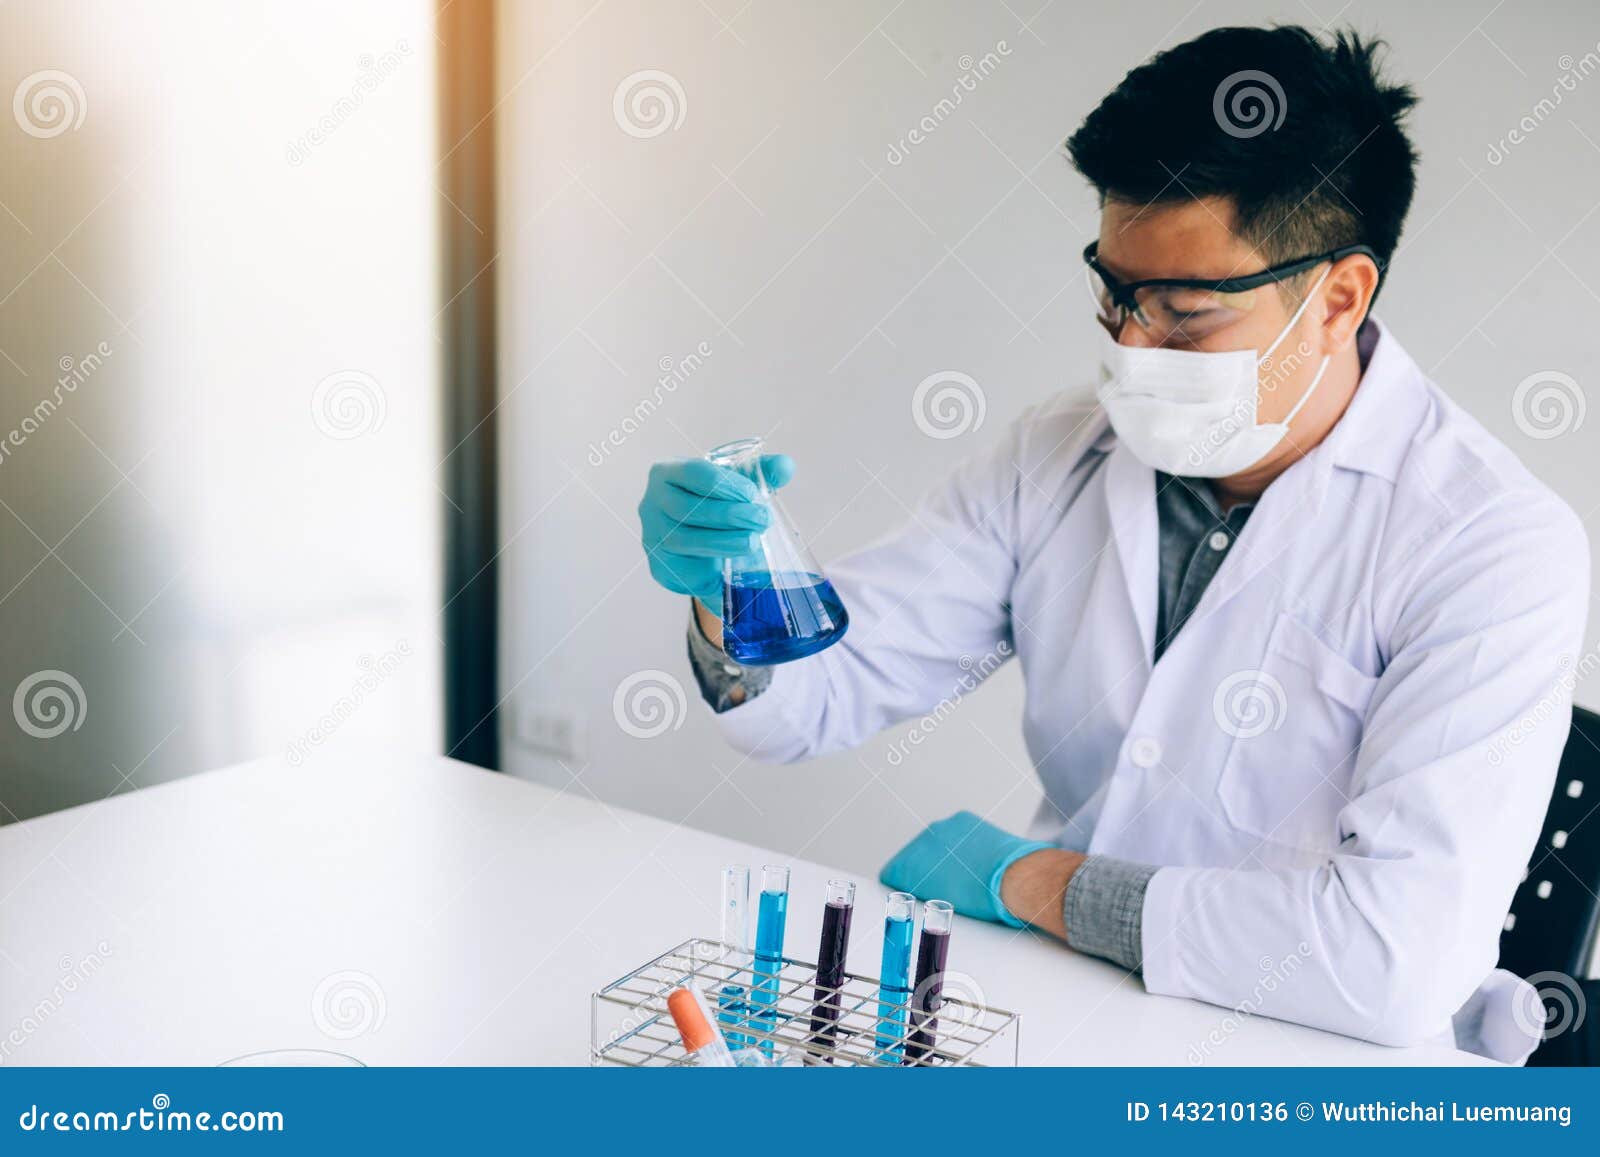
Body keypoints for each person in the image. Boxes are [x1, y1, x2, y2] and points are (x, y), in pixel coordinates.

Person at [635, 25, 1590, 1062]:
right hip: (1067, 1012)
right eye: (1116, 295)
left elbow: (1387, 962)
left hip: (1321, 1062)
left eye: (1183, 313)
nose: (1131, 348)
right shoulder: (1059, 454)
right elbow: (812, 699)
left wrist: (1036, 881)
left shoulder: (1492, 541)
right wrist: (734, 586)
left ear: (1338, 298)